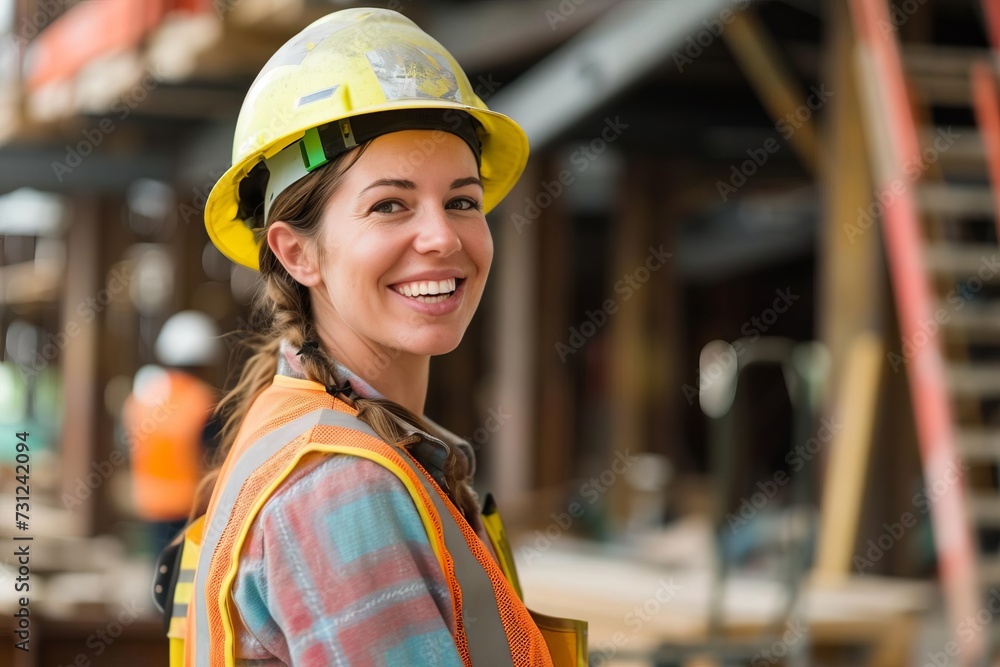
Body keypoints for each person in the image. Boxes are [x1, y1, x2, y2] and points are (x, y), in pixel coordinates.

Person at [155, 8, 587, 666]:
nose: (442, 235)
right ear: (298, 254)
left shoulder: (344, 441)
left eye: (463, 200)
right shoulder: (338, 484)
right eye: (390, 204)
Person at [123, 310, 220, 556]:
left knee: (159, 570)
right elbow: (215, 456)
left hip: (149, 502)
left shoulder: (144, 395)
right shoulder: (201, 400)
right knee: (184, 583)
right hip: (189, 509)